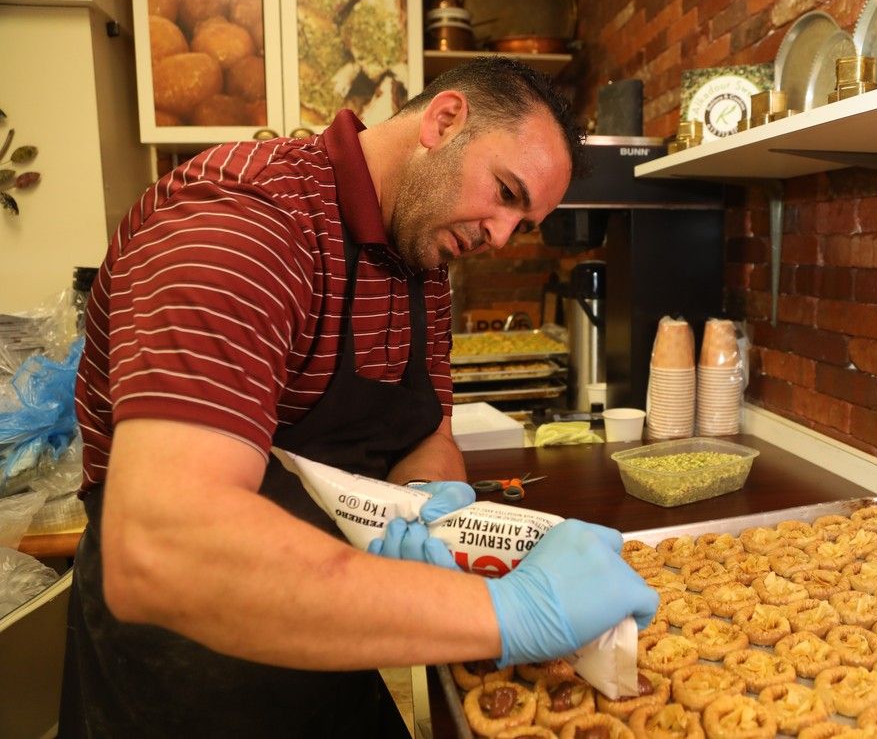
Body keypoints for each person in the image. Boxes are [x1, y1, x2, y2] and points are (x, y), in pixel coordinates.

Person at [59, 57, 658, 737]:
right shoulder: (240, 223)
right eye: (505, 192)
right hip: (186, 673)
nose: (498, 236)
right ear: (445, 120)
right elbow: (162, 549)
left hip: (337, 635)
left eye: (521, 224)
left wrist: (427, 513)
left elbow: (425, 432)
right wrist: (506, 614)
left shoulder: (421, 259)